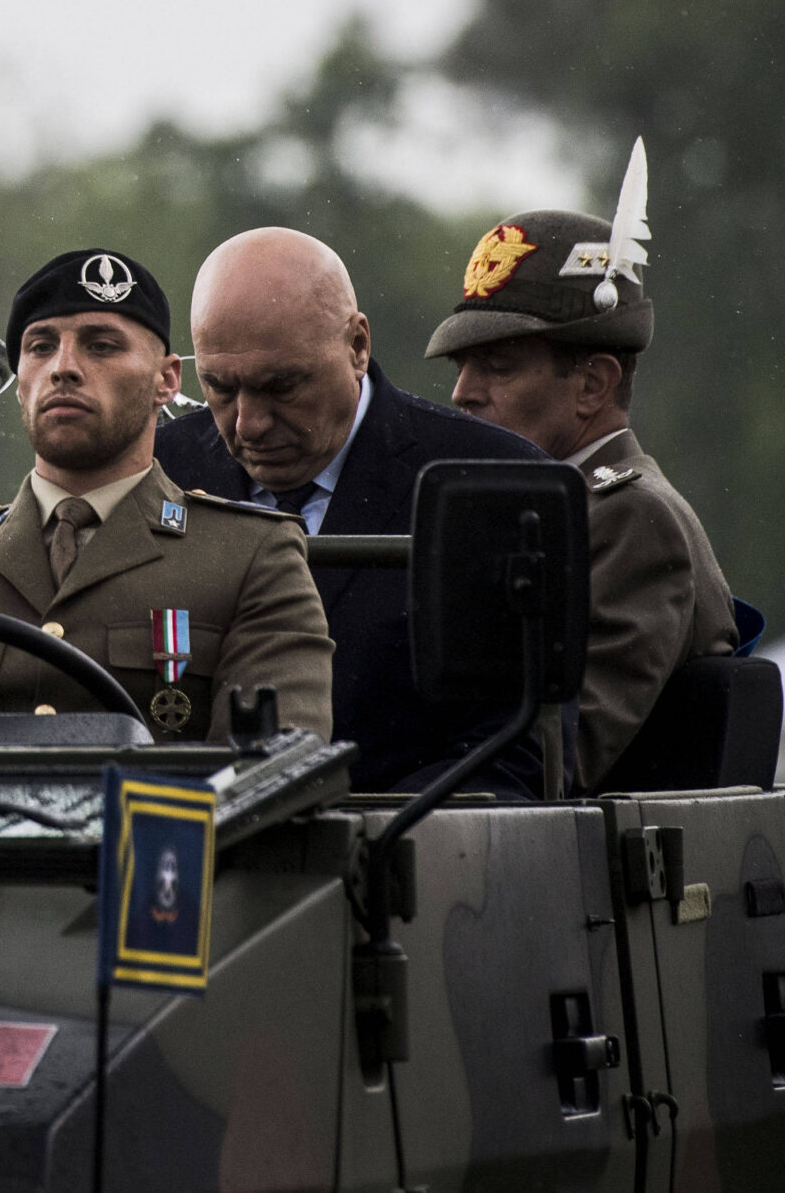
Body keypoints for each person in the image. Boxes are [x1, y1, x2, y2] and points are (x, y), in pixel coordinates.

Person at [0, 249, 333, 738]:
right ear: (20, 379)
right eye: (40, 347)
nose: (63, 367)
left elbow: (272, 776)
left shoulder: (249, 558)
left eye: (102, 346)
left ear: (167, 381)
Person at [155, 227, 546, 795]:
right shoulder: (160, 474)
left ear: (358, 347)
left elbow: (513, 754)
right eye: (220, 387)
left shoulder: (489, 485)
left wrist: (361, 847)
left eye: (281, 386)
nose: (249, 423)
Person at [428, 203, 737, 789]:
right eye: (463, 366)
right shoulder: (554, 512)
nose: (463, 393)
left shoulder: (630, 518)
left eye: (496, 365)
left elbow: (551, 762)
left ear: (593, 385)